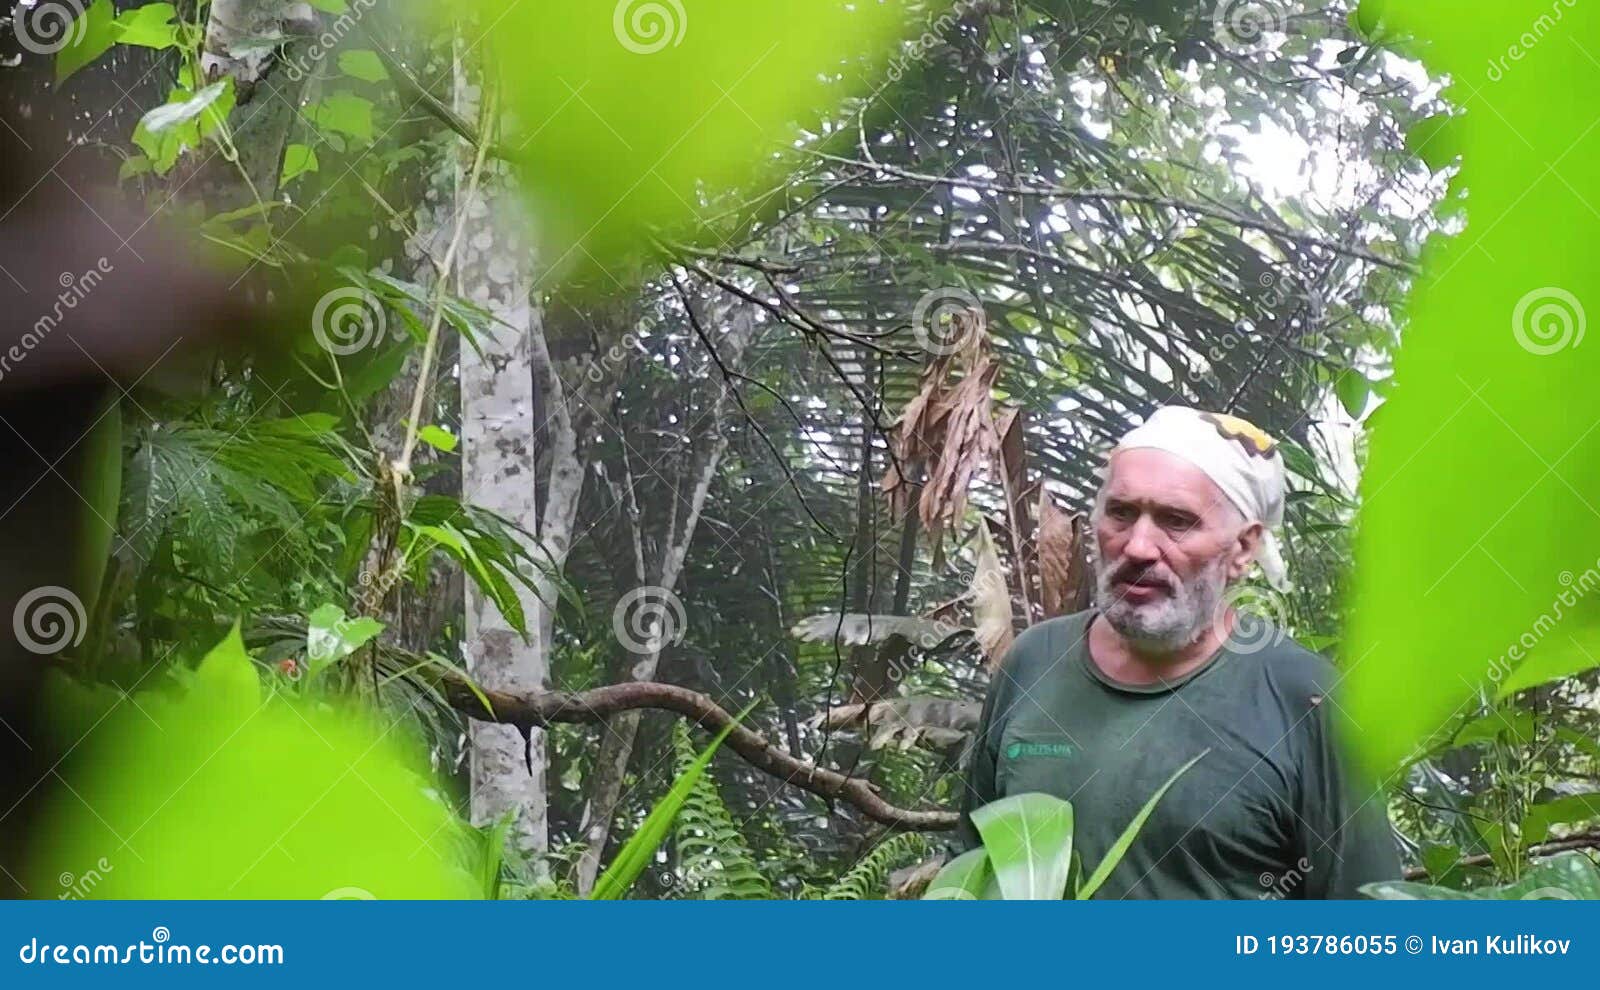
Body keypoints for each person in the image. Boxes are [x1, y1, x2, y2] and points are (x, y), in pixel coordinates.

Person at [958, 406, 1399, 898]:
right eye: (1122, 513)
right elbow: (972, 868)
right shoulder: (1035, 661)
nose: (1139, 546)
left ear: (1242, 549)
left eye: (1176, 521)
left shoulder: (1306, 698)